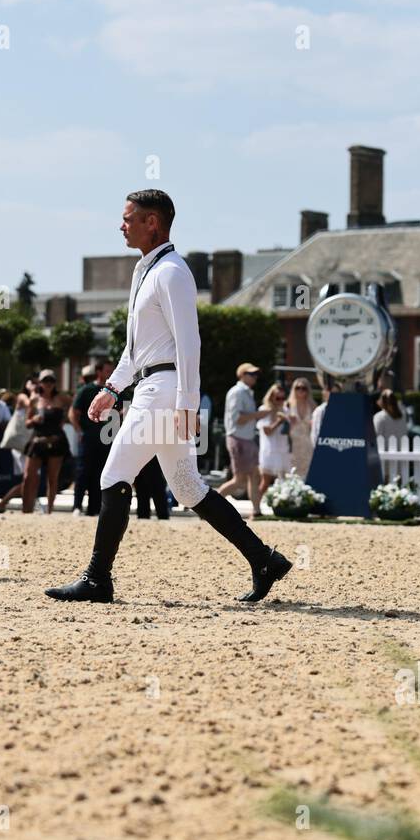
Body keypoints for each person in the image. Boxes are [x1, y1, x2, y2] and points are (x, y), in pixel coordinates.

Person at [46, 189, 292, 604]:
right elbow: (134, 350)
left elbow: (188, 343)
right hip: (150, 385)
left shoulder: (172, 272)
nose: (121, 225)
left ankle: (97, 579)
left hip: (163, 391)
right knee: (187, 486)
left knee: (113, 475)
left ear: (153, 222)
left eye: (128, 218)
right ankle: (263, 559)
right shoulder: (145, 272)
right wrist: (110, 389)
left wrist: (187, 405)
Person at [217, 363, 267, 516]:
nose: (255, 377)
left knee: (253, 476)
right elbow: (237, 419)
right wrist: (259, 415)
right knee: (239, 480)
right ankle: (208, 507)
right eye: (251, 374)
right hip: (238, 439)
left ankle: (257, 511)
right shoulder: (237, 392)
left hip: (247, 439)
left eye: (255, 374)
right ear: (242, 375)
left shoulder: (246, 393)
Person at [70, 359, 114, 516]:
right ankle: (77, 506)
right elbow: (73, 412)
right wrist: (79, 431)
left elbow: (120, 412)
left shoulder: (114, 392)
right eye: (108, 371)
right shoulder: (87, 390)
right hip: (88, 438)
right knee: (83, 473)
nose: (111, 374)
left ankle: (94, 509)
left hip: (107, 440)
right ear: (99, 372)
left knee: (101, 474)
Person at [21, 369, 68, 514]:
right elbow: (27, 423)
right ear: (40, 383)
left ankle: (49, 510)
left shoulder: (62, 398)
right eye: (45, 381)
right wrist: (33, 419)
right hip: (38, 439)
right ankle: (26, 509)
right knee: (29, 476)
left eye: (51, 381)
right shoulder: (35, 399)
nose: (48, 384)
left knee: (52, 478)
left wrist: (65, 420)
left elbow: (74, 409)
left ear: (55, 383)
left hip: (55, 440)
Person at [257, 383, 294, 498]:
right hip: (269, 451)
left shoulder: (286, 410)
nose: (280, 401)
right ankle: (255, 508)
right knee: (265, 482)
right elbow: (267, 431)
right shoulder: (264, 410)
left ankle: (284, 506)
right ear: (272, 397)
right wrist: (279, 421)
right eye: (278, 398)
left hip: (283, 450)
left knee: (285, 481)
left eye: (283, 398)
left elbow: (289, 432)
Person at [374, 389, 409, 481]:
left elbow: (376, 437)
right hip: (401, 458)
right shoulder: (402, 416)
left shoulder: (379, 417)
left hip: (385, 460)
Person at [286, 377, 316, 478]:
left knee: (308, 472)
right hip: (292, 444)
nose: (300, 390)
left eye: (304, 388)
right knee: (292, 472)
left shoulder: (313, 406)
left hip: (308, 444)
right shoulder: (288, 406)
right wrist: (288, 420)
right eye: (297, 388)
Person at [311, 378, 341, 446]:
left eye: (336, 393)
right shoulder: (319, 411)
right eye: (330, 393)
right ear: (324, 393)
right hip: (324, 448)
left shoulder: (343, 410)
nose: (333, 395)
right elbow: (315, 433)